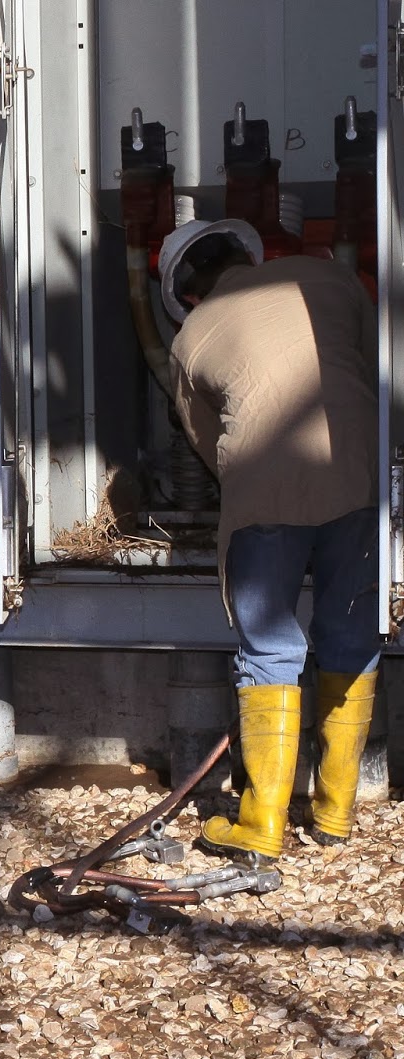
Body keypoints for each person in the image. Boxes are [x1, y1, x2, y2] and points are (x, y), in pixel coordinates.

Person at [164, 218, 380, 864]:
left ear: (190, 289)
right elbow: (364, 366)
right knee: (350, 635)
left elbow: (207, 443)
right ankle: (335, 812)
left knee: (269, 648)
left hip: (265, 492)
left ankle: (261, 822)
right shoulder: (332, 278)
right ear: (248, 252)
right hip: (357, 473)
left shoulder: (191, 338)